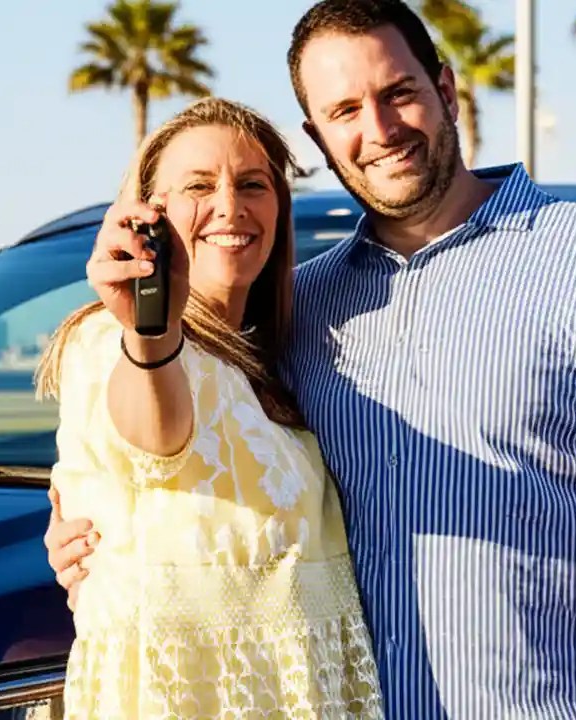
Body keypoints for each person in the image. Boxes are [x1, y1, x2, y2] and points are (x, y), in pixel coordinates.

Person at [48, 0, 576, 717]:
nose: (378, 131)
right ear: (318, 137)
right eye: (345, 110)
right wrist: (93, 517)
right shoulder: (303, 307)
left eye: (398, 94)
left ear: (445, 90)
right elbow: (177, 438)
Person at [35, 96, 384, 718]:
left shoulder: (283, 352)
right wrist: (149, 330)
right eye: (199, 185)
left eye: (254, 184)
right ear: (149, 212)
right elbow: (156, 437)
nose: (231, 206)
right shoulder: (109, 339)